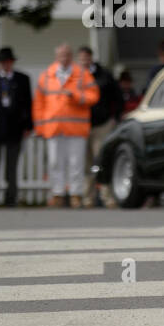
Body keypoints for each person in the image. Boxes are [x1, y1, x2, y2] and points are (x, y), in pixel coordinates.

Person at [33, 44, 100, 207]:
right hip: (54, 127)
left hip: (76, 128)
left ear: (71, 57)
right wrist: (40, 127)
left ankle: (75, 194)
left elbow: (94, 96)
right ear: (56, 57)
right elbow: (39, 103)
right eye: (61, 55)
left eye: (67, 55)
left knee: (76, 162)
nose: (64, 58)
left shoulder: (83, 75)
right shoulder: (47, 75)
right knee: (55, 162)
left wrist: (76, 96)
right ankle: (58, 193)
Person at [0, 47, 32, 207]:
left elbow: (27, 103)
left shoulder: (22, 79)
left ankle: (11, 197)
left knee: (11, 166)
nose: (6, 65)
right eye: (3, 62)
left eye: (8, 62)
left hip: (14, 127)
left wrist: (28, 125)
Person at [77, 46, 123, 208]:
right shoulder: (76, 76)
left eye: (86, 58)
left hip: (101, 124)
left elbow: (117, 96)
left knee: (102, 160)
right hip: (82, 125)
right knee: (86, 163)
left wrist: (115, 117)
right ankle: (87, 198)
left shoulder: (104, 75)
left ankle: (107, 197)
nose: (84, 61)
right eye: (81, 58)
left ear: (91, 58)